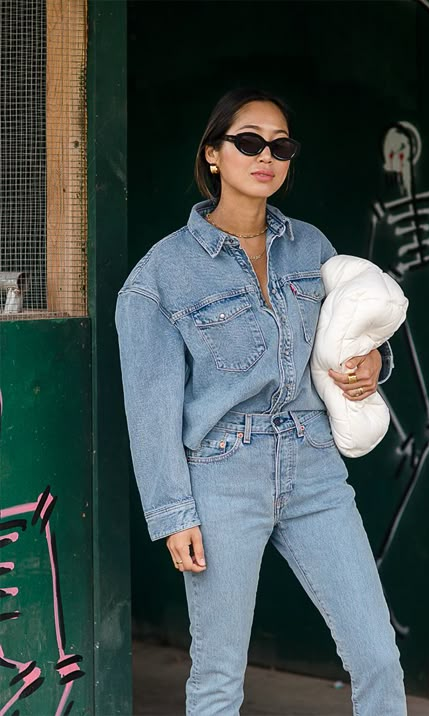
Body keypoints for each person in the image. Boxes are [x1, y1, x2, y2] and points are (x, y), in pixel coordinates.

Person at [115, 87, 407, 716]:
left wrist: (379, 364)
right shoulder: (161, 276)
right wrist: (173, 514)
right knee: (219, 676)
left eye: (281, 145)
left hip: (315, 466)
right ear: (213, 154)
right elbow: (149, 408)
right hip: (222, 475)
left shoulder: (312, 249)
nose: (266, 155)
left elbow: (356, 332)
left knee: (378, 653)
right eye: (249, 141)